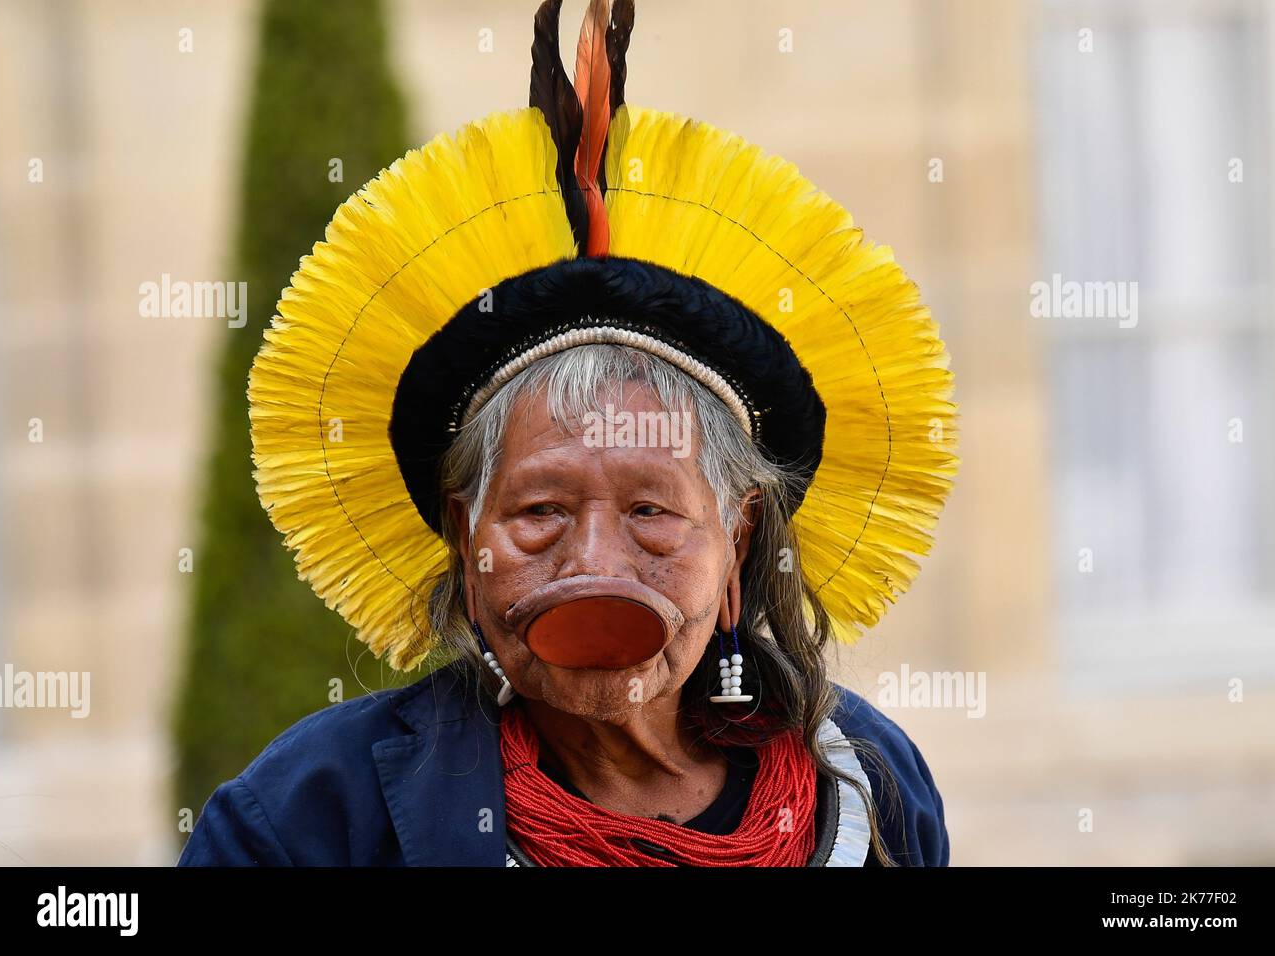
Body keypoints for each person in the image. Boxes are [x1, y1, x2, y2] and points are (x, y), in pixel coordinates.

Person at [179, 0, 958, 868]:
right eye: (541, 509)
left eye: (652, 513)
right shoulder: (310, 818)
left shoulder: (871, 784)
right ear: (464, 537)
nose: (594, 561)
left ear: (738, 543)